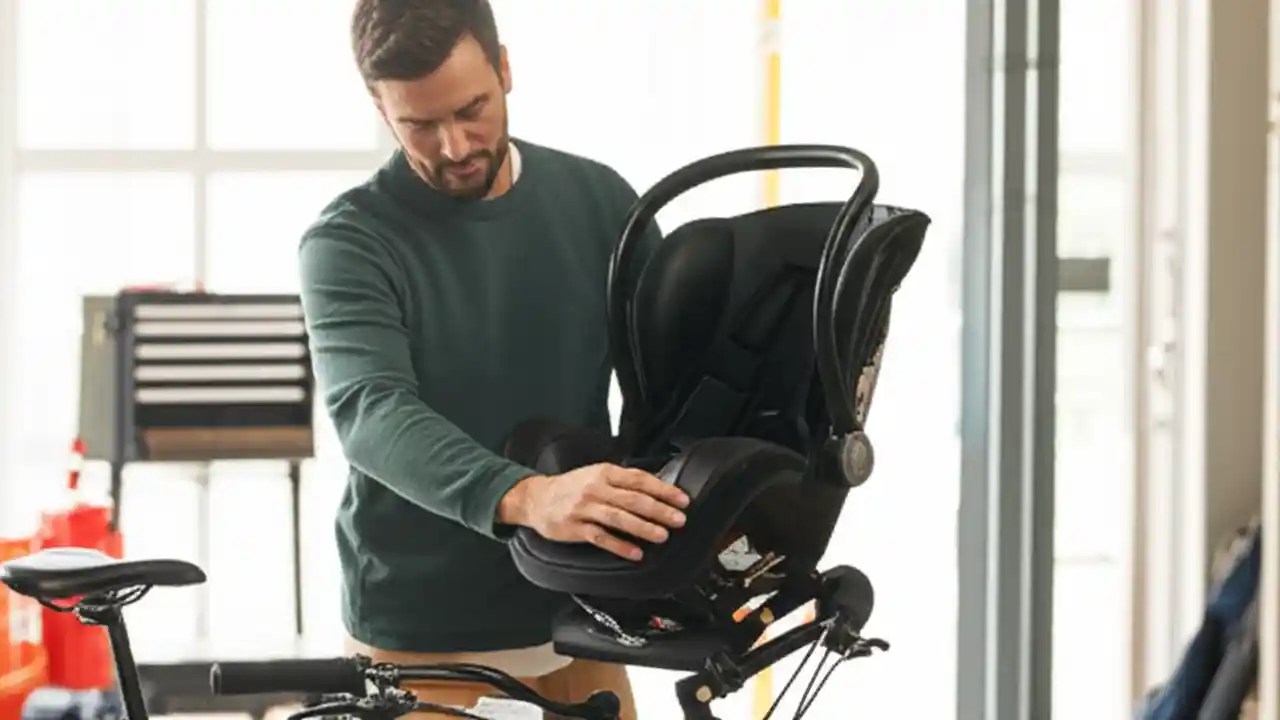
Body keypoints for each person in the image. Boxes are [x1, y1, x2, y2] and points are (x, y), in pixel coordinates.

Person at [296, 1, 689, 717]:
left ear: (505, 69)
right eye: (419, 124)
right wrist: (530, 498)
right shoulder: (348, 241)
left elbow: (676, 385)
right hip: (421, 640)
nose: (453, 146)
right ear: (379, 106)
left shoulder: (601, 202)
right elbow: (371, 412)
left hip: (582, 620)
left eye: (471, 108)